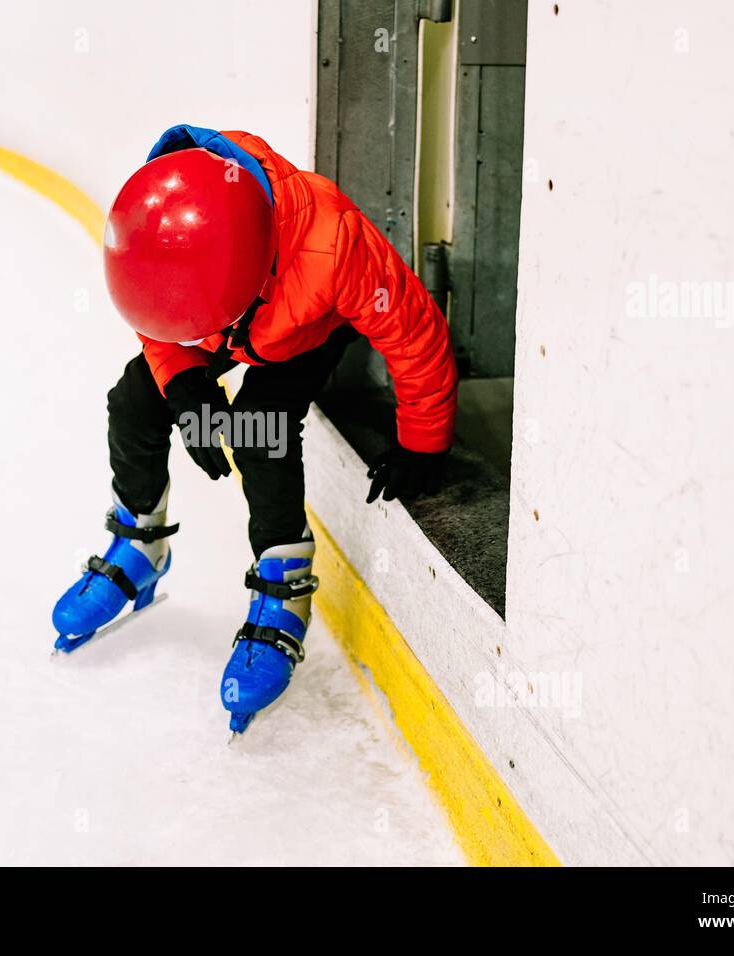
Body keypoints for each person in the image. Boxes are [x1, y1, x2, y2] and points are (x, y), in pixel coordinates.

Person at [52, 124, 458, 734]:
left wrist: (421, 438)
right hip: (225, 319)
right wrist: (184, 385)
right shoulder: (168, 221)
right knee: (135, 399)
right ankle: (141, 542)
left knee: (259, 431)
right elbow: (156, 309)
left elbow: (411, 329)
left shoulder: (333, 243)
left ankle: (284, 585)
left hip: (303, 331)